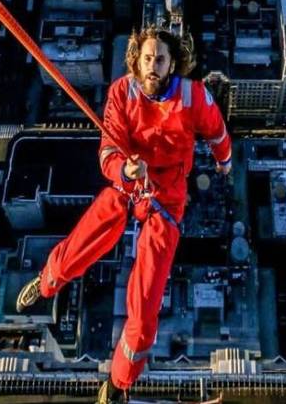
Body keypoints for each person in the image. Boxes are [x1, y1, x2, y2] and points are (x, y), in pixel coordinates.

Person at [15, 27, 232, 404]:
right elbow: (108, 147)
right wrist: (124, 171)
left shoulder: (192, 96)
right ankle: (48, 281)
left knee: (146, 303)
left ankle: (118, 383)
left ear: (172, 64)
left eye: (160, 59)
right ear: (137, 60)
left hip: (166, 197)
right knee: (88, 236)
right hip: (130, 181)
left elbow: (216, 130)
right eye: (147, 58)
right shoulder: (121, 92)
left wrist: (224, 161)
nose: (153, 66)